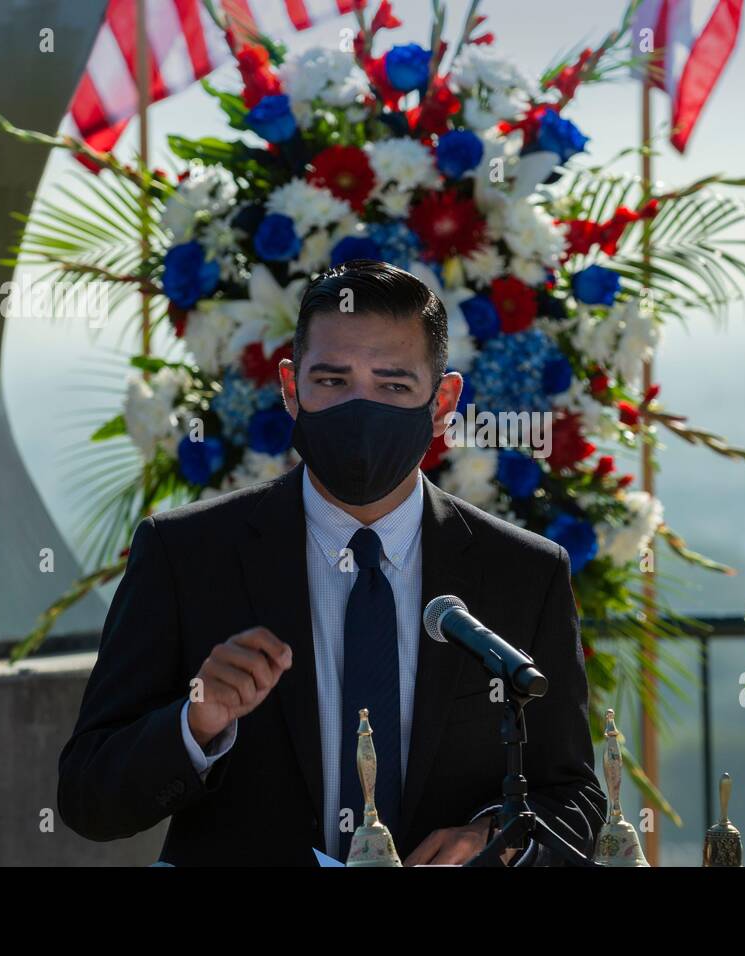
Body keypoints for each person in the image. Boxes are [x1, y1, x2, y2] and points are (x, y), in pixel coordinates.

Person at [58, 259, 606, 865]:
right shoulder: (184, 555)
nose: (359, 409)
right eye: (333, 381)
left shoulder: (524, 572)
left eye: (393, 385)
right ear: (291, 390)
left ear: (443, 400)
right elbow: (88, 798)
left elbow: (573, 794)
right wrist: (197, 720)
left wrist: (493, 840)